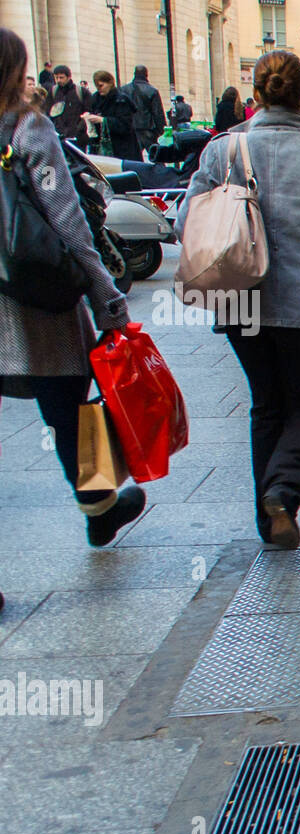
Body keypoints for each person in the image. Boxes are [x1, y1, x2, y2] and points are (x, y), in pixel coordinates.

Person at [177, 51, 300, 549]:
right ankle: (282, 490)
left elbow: (184, 223)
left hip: (240, 299)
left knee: (265, 405)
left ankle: (268, 517)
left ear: (255, 94)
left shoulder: (222, 150)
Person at [0, 28, 146, 550]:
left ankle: (101, 506)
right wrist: (106, 294)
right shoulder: (28, 128)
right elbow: (68, 222)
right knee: (66, 409)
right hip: (36, 303)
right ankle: (99, 506)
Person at [84, 70, 140, 160]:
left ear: (110, 83)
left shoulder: (121, 100)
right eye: (97, 86)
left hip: (121, 148)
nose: (99, 89)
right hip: (101, 147)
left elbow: (125, 125)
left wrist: (103, 120)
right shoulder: (96, 98)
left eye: (101, 85)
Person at [122, 64, 165, 153]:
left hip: (130, 128)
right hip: (147, 128)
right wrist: (161, 129)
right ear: (146, 74)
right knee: (156, 156)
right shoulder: (152, 91)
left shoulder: (123, 90)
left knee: (132, 157)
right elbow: (157, 113)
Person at [45, 64, 89, 147]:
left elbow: (88, 110)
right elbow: (48, 111)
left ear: (69, 77)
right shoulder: (53, 92)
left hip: (77, 136)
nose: (58, 80)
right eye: (56, 78)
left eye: (61, 77)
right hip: (59, 135)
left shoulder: (81, 91)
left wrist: (80, 128)